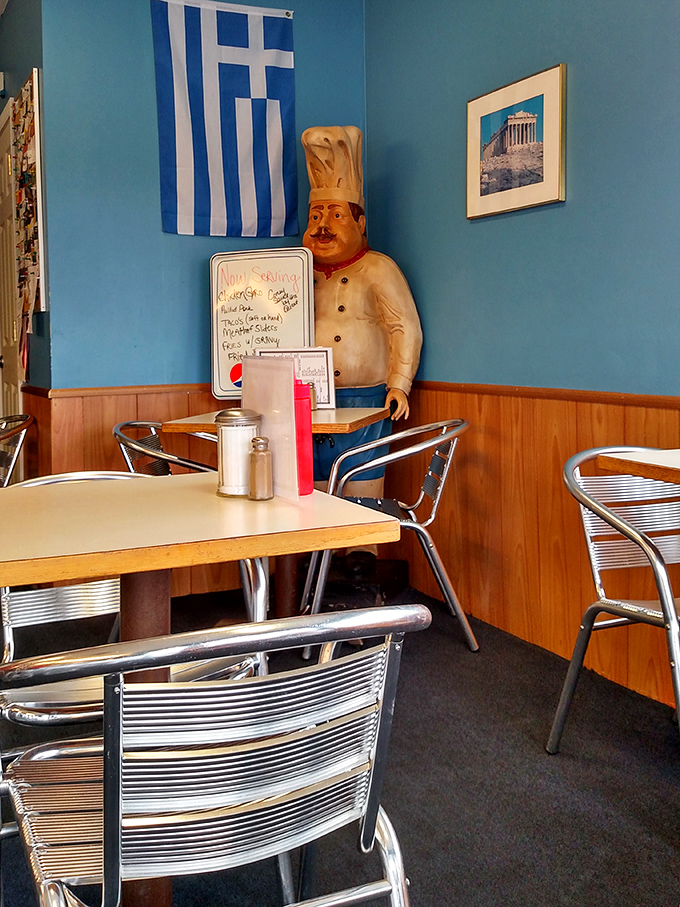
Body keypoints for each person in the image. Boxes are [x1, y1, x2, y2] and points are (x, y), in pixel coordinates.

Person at [302, 125, 423, 574]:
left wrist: (399, 383)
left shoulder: (378, 269)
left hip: (365, 399)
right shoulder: (294, 270)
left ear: (360, 224)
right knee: (314, 477)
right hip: (307, 401)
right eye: (316, 216)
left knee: (362, 475)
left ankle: (360, 559)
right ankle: (318, 558)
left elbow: (404, 327)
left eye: (335, 215)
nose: (322, 226)